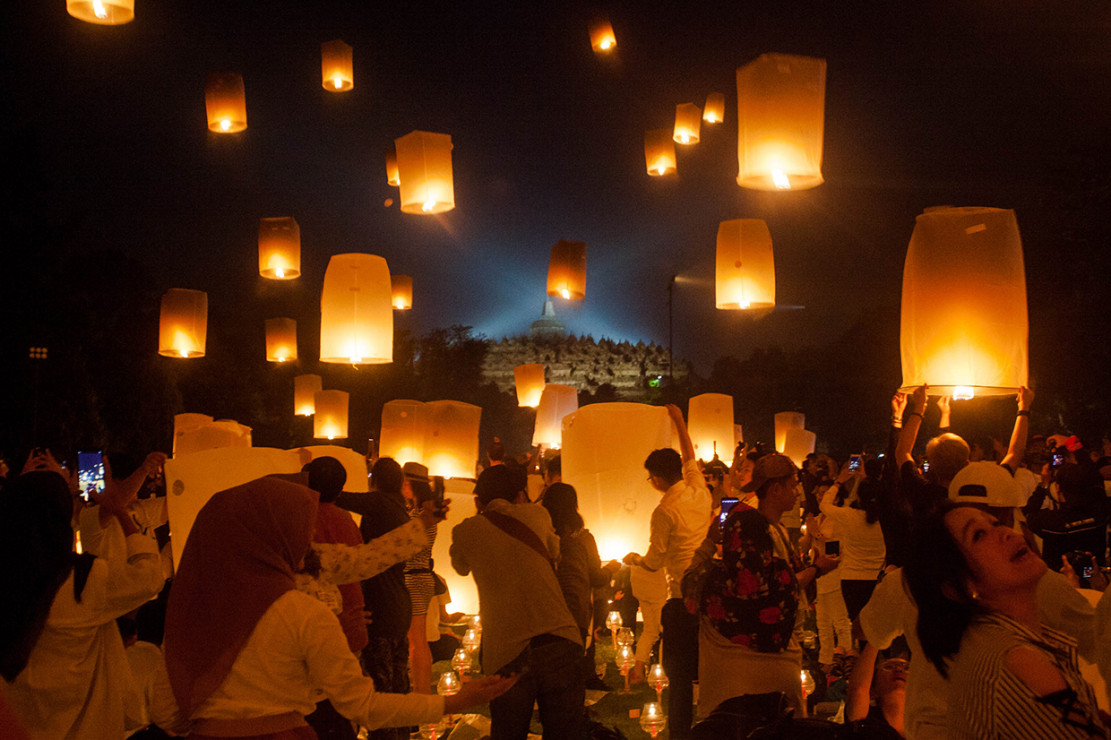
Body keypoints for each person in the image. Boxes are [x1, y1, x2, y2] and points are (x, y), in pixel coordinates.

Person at [152, 475, 514, 738]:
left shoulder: (195, 611)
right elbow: (364, 706)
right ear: (275, 534)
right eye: (299, 529)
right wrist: (452, 702)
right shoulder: (302, 613)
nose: (309, 537)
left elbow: (166, 710)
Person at [903, 499, 1108, 738]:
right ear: (958, 586)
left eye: (996, 523)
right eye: (978, 535)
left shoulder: (989, 638)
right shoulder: (1016, 665)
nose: (1004, 533)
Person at [6, 452, 167, 740]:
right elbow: (149, 577)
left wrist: (22, 489)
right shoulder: (82, 579)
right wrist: (120, 512)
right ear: (62, 514)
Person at [692, 452, 839, 719]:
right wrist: (817, 569)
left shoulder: (776, 529)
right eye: (793, 485)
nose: (797, 492)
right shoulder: (757, 530)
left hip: (769, 645)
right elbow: (776, 587)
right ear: (775, 488)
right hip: (759, 652)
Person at [450, 464, 584, 740]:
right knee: (565, 732)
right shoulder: (538, 514)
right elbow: (555, 550)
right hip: (559, 637)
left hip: (506, 651)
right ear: (520, 495)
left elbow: (460, 566)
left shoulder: (465, 530)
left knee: (509, 732)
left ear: (478, 501)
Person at [623, 404, 713, 738]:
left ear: (658, 478)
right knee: (710, 671)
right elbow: (689, 452)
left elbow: (655, 560)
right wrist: (678, 420)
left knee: (678, 678)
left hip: (680, 598)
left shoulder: (664, 510)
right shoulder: (698, 490)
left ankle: (679, 732)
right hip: (710, 594)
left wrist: (634, 560)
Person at [335, 458, 414, 740]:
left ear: (375, 481)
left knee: (380, 692)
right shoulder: (400, 508)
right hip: (399, 604)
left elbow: (339, 496)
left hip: (382, 605)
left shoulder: (380, 503)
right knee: (399, 686)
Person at [541, 481, 618, 690]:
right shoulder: (583, 538)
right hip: (575, 605)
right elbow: (597, 577)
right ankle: (580, 689)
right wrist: (613, 567)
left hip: (547, 606)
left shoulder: (542, 536)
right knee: (575, 653)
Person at [821, 463, 886, 622]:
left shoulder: (849, 515)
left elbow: (824, 505)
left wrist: (838, 482)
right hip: (878, 578)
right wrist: (863, 478)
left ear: (858, 495)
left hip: (851, 577)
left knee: (857, 624)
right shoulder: (885, 519)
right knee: (876, 627)